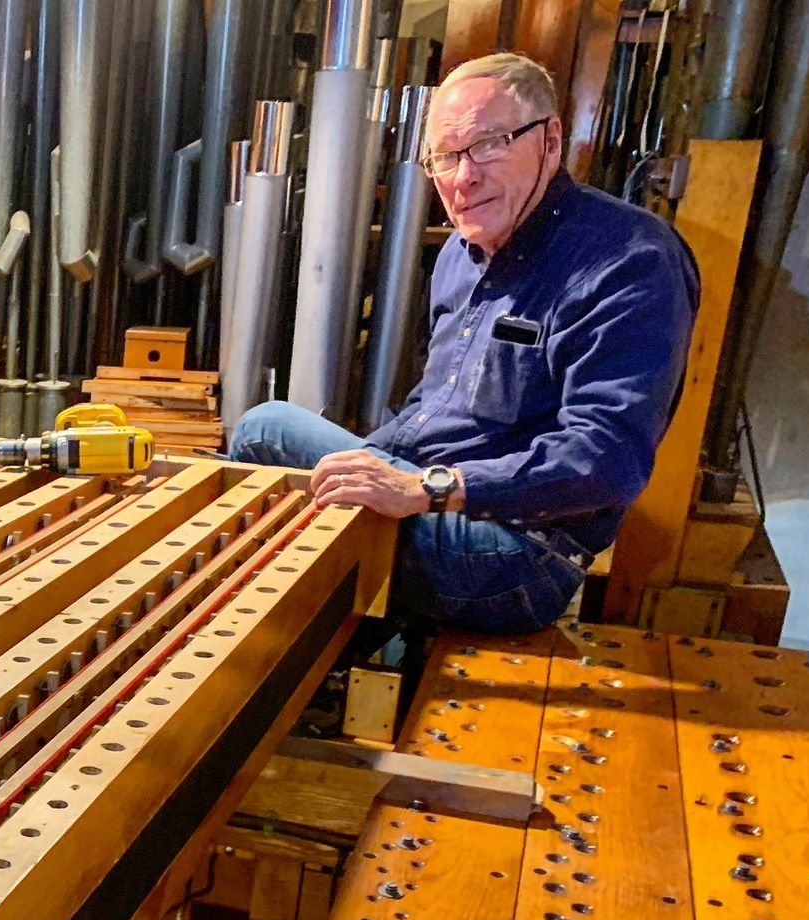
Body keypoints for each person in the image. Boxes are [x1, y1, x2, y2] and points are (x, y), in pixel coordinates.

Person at [228, 52, 700, 635]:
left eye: (489, 145)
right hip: (441, 507)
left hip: (522, 553)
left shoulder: (630, 258)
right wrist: (368, 464)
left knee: (265, 428)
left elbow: (607, 458)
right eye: (445, 157)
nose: (462, 178)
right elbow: (433, 408)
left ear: (551, 141)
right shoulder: (460, 252)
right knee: (297, 504)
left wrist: (425, 487)